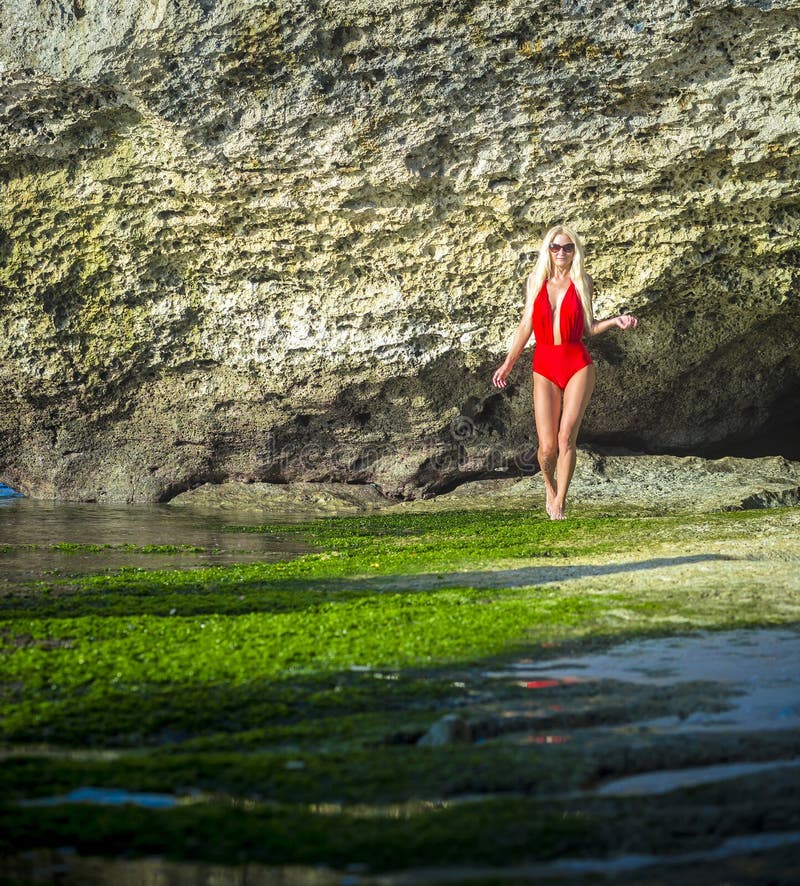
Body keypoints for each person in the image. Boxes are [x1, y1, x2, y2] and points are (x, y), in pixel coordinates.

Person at [492, 224, 638, 520]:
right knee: (546, 449)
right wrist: (508, 363)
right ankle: (549, 487)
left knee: (566, 437)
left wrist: (615, 321)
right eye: (556, 247)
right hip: (544, 366)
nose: (561, 252)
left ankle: (560, 501)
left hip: (577, 364)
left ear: (575, 251)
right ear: (548, 250)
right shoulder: (535, 281)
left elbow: (589, 328)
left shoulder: (583, 281)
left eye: (568, 247)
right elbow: (525, 326)